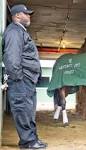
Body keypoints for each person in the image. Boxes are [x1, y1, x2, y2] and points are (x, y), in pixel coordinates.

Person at [2, 4, 47, 149]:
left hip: (27, 80)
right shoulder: (14, 32)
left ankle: (32, 139)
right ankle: (28, 142)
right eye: (26, 13)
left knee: (28, 111)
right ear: (16, 16)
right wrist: (19, 77)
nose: (29, 16)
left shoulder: (20, 32)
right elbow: (12, 58)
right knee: (22, 110)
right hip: (21, 80)